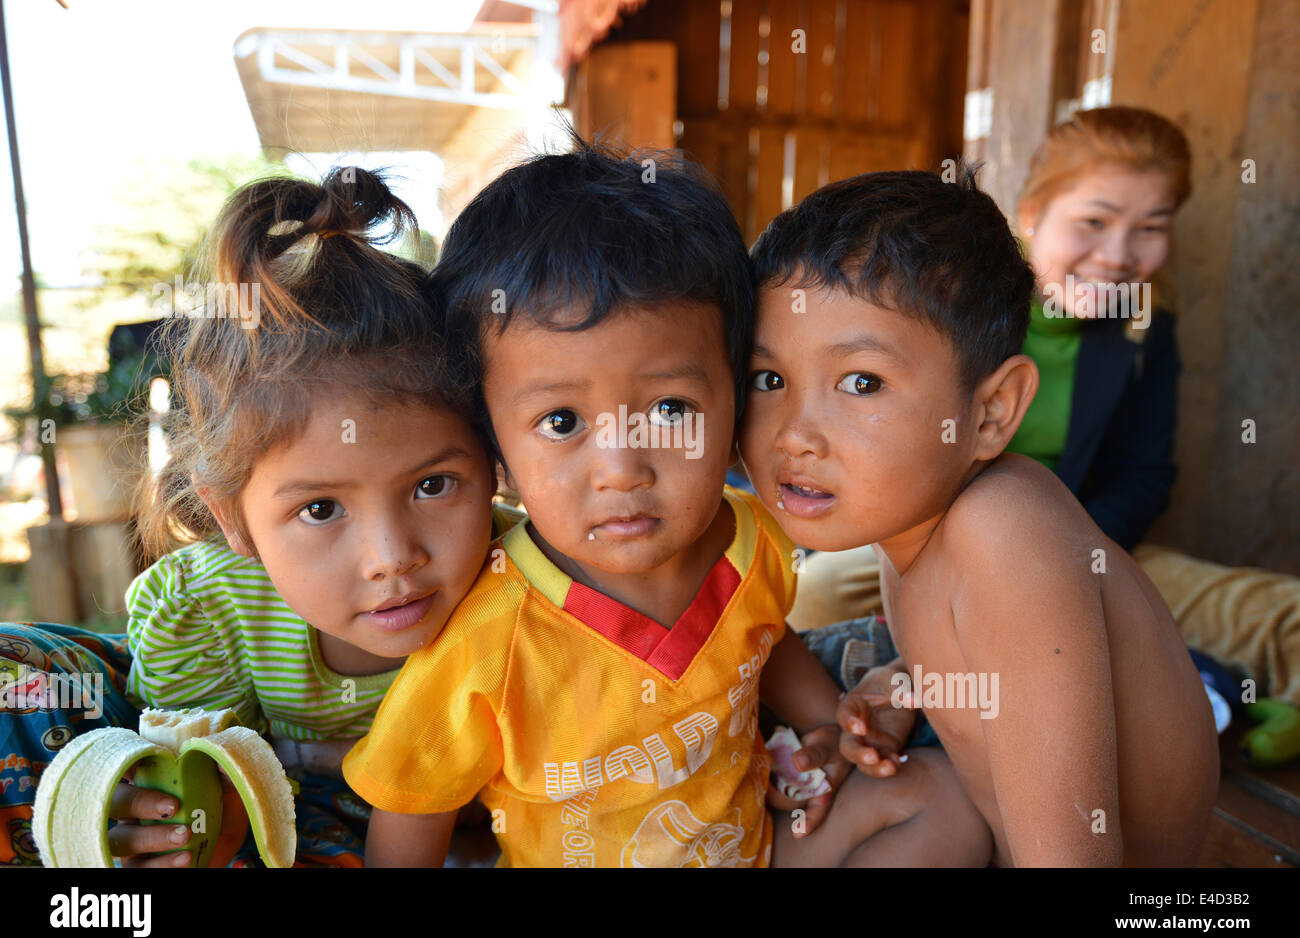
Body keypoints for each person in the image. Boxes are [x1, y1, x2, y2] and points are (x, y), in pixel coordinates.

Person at [343, 138, 991, 868]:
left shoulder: (752, 539)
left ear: (736, 396)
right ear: (494, 449)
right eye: (562, 422)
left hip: (760, 848)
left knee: (945, 802)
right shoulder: (484, 640)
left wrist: (821, 723)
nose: (621, 469)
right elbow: (409, 814)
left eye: (672, 408)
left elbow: (762, 639)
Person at [9, 167, 513, 867]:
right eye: (320, 507)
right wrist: (188, 812)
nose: (391, 556)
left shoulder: (527, 581)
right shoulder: (210, 609)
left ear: (494, 461)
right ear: (234, 520)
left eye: (433, 484)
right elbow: (202, 784)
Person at [738, 166, 1219, 865]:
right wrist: (905, 685)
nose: (794, 434)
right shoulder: (911, 516)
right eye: (769, 379)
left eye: (861, 382)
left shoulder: (1004, 530)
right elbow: (1003, 664)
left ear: (990, 412)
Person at [787, 106, 1300, 712]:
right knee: (807, 595)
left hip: (1086, 547)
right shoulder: (957, 311)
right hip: (916, 544)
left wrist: (1057, 554)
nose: (1118, 254)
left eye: (1151, 228)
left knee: (1285, 616)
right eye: (1094, 221)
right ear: (1031, 214)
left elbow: (1144, 477)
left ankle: (1212, 686)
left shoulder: (1144, 331)